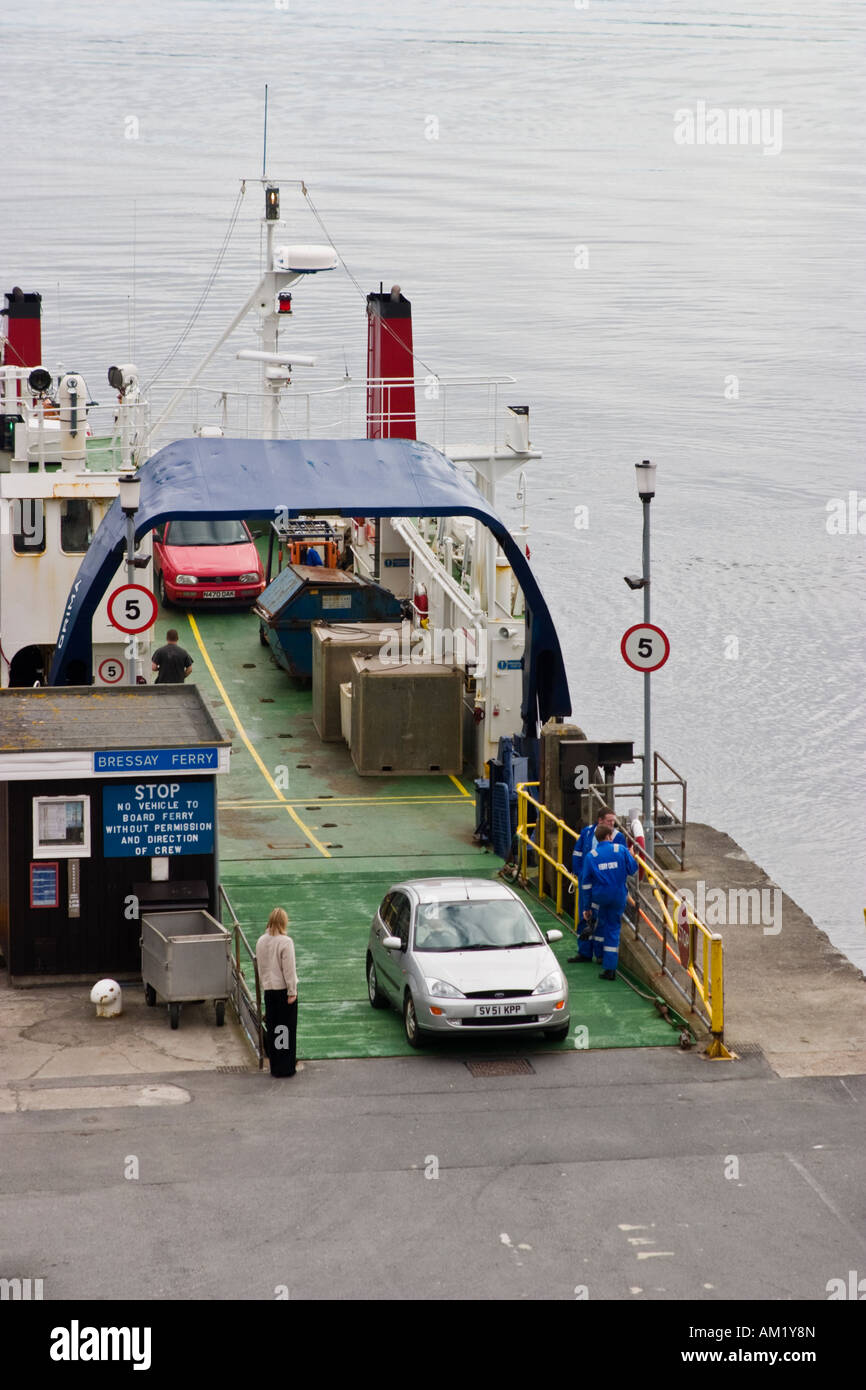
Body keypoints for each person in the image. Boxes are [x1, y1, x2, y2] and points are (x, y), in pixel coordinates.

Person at [568, 807, 628, 963]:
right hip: (587, 883)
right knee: (584, 916)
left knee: (601, 919)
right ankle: (584, 952)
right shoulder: (587, 832)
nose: (612, 824)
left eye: (613, 821)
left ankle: (600, 954)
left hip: (604, 885)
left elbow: (622, 862)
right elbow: (577, 854)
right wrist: (581, 874)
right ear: (600, 820)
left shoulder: (618, 837)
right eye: (609, 821)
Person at [580, 824, 637, 980]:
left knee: (601, 921)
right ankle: (610, 969)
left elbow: (585, 884)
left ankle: (599, 955)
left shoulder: (591, 856)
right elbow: (632, 869)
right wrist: (632, 856)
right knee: (613, 929)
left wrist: (587, 907)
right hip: (618, 896)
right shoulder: (620, 850)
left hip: (600, 897)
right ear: (609, 836)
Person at [255, 907, 298, 1077]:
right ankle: (286, 1066)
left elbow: (261, 968)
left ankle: (276, 1065)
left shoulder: (260, 941)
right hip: (283, 991)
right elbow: (289, 969)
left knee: (274, 1028)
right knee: (286, 1028)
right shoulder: (285, 942)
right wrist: (292, 991)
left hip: (269, 990)